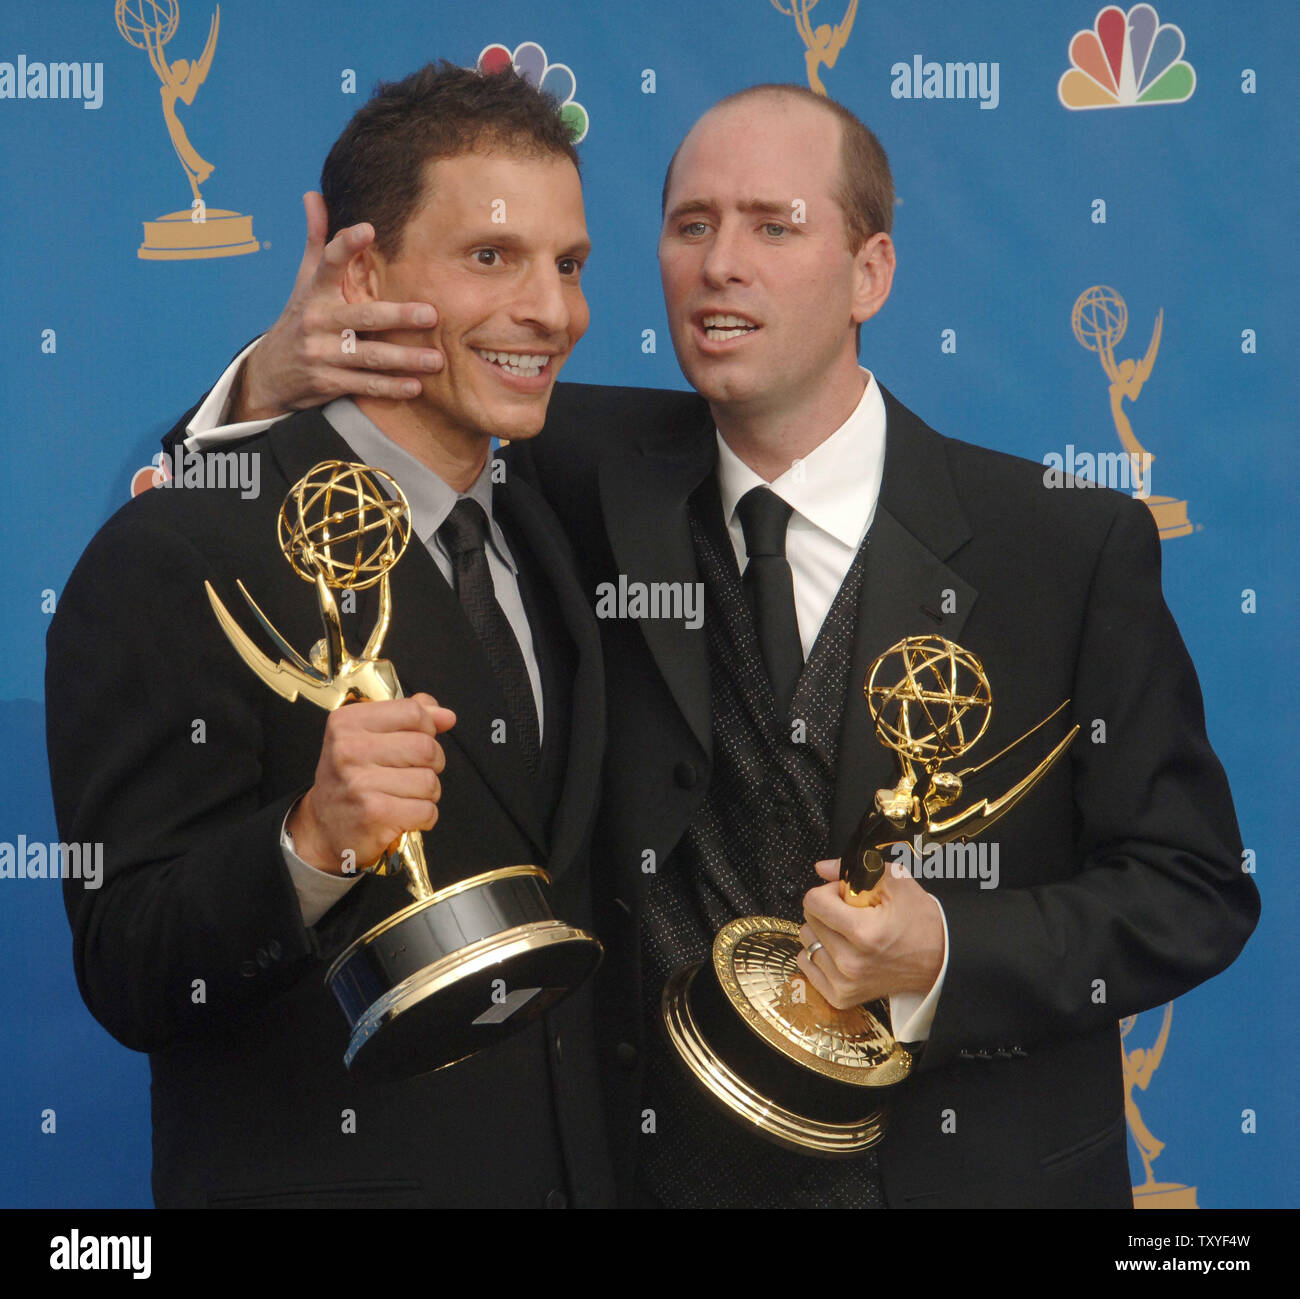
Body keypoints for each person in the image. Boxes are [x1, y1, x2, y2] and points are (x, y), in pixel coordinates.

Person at [166, 83, 1258, 1209]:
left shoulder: (1064, 546)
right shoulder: (555, 465)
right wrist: (265, 381)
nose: (719, 263)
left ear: (869, 273)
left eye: (771, 225)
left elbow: (1189, 890)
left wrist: (943, 953)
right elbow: (313, 478)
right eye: (690, 225)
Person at [46, 63, 613, 1209]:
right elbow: (130, 968)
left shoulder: (571, 512)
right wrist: (309, 846)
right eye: (491, 258)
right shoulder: (175, 553)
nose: (549, 312)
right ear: (362, 271)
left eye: (568, 265)